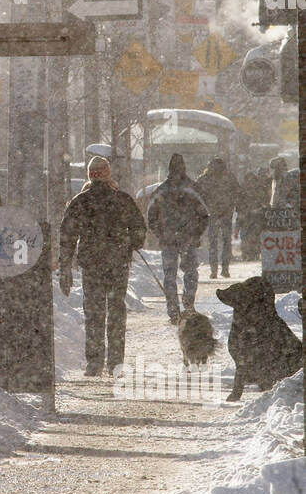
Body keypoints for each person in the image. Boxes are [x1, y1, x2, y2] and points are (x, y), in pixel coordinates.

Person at [58, 155, 146, 377]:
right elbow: (139, 228)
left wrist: (66, 265)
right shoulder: (122, 199)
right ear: (108, 174)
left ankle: (94, 362)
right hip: (117, 264)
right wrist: (132, 243)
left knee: (94, 313)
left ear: (90, 175)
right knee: (116, 310)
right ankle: (116, 364)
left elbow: (67, 235)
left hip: (92, 265)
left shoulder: (80, 201)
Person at [147, 153, 210, 323]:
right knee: (190, 272)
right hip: (188, 238)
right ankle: (188, 305)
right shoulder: (192, 189)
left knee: (169, 275)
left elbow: (151, 216)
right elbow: (204, 214)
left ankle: (173, 309)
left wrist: (160, 234)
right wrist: (196, 234)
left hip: (168, 240)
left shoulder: (161, 190)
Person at [194, 157, 240, 279]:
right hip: (225, 214)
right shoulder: (229, 178)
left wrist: (203, 209)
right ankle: (225, 268)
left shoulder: (204, 178)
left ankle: (214, 270)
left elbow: (197, 195)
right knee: (225, 243)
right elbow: (237, 192)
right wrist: (231, 205)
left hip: (212, 214)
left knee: (213, 243)